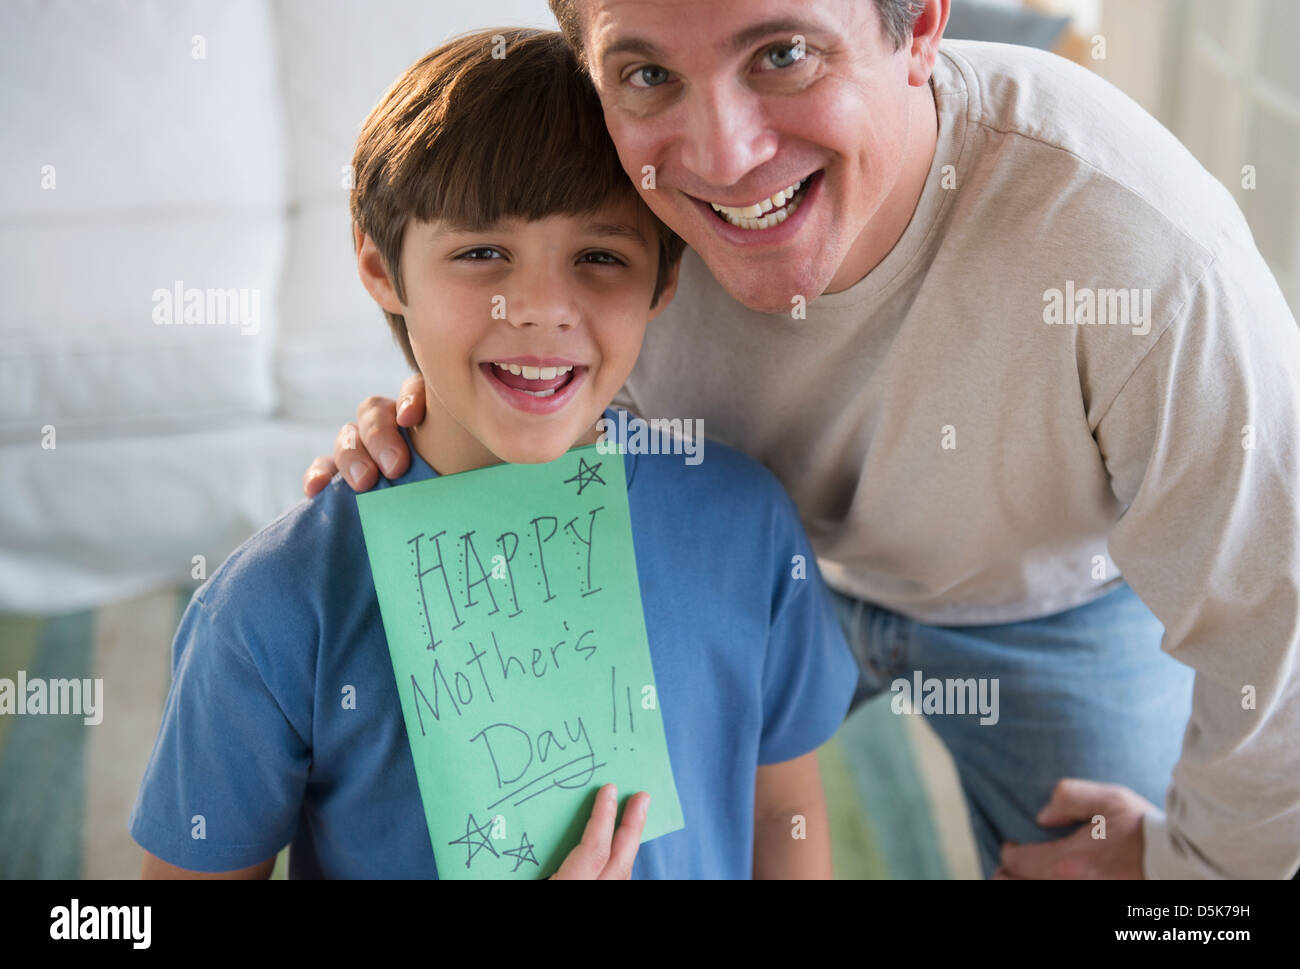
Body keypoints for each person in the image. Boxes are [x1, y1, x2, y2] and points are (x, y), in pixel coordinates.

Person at [312, 0, 1300, 879]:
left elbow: (1281, 634)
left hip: (1043, 603)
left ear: (920, 25)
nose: (724, 156)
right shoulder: (617, 199)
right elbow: (503, 311)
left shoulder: (1146, 252)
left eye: (783, 55)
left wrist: (1194, 876)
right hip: (744, 564)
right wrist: (440, 431)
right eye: (648, 73)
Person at [129, 28, 857, 879]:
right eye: (482, 253)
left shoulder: (746, 524)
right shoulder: (273, 609)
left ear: (664, 279)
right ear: (382, 267)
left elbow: (780, 808)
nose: (540, 307)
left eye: (600, 256)